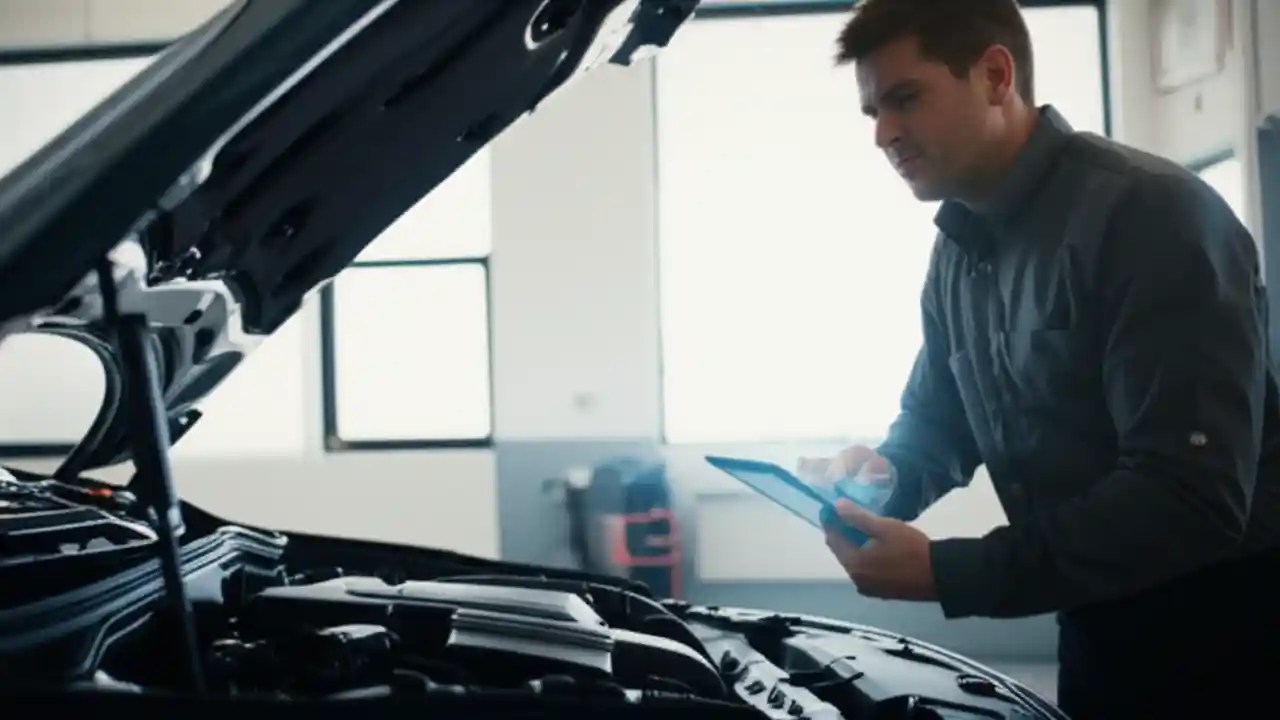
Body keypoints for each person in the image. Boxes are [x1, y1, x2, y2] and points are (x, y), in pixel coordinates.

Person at [809, 0, 1280, 715]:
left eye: (905, 99)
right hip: (1097, 629)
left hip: (1235, 641)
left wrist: (950, 572)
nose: (883, 134)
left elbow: (1187, 498)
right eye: (872, 111)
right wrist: (883, 478)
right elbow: (940, 418)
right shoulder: (958, 249)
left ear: (996, 75)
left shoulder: (1151, 216)